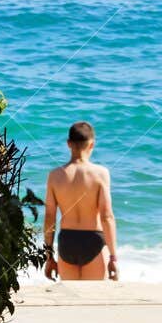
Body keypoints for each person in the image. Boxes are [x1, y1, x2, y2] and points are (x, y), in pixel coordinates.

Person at [44, 121, 119, 282]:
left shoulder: (55, 175)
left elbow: (49, 217)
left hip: (67, 241)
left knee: (70, 301)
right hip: (94, 240)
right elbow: (107, 217)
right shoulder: (100, 174)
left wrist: (49, 256)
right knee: (93, 300)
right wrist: (113, 258)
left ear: (68, 144)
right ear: (91, 145)